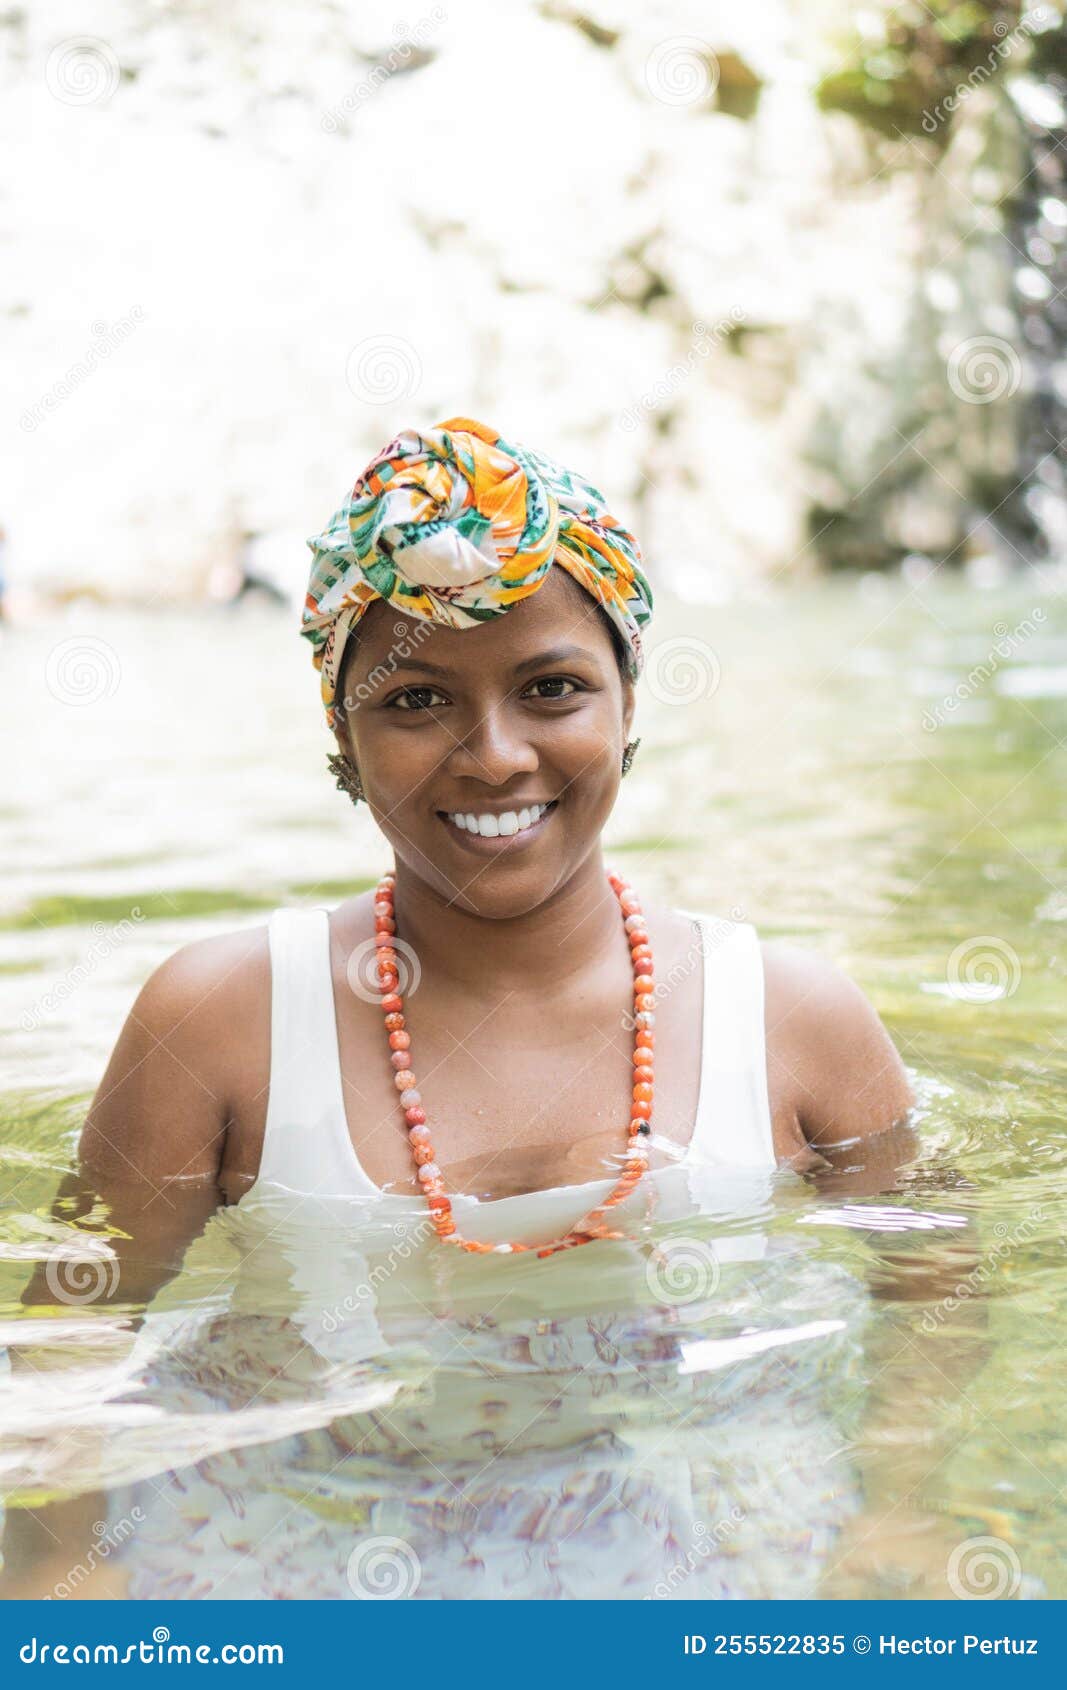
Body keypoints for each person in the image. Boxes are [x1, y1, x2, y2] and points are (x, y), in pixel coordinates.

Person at [2, 416, 930, 1601]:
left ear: (628, 702)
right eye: (416, 700)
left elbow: (930, 1288)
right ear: (340, 728)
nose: (494, 757)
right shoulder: (223, 1020)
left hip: (674, 1507)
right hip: (281, 1516)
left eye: (552, 688)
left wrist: (897, 1510)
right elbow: (73, 1332)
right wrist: (56, 1573)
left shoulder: (794, 1021)